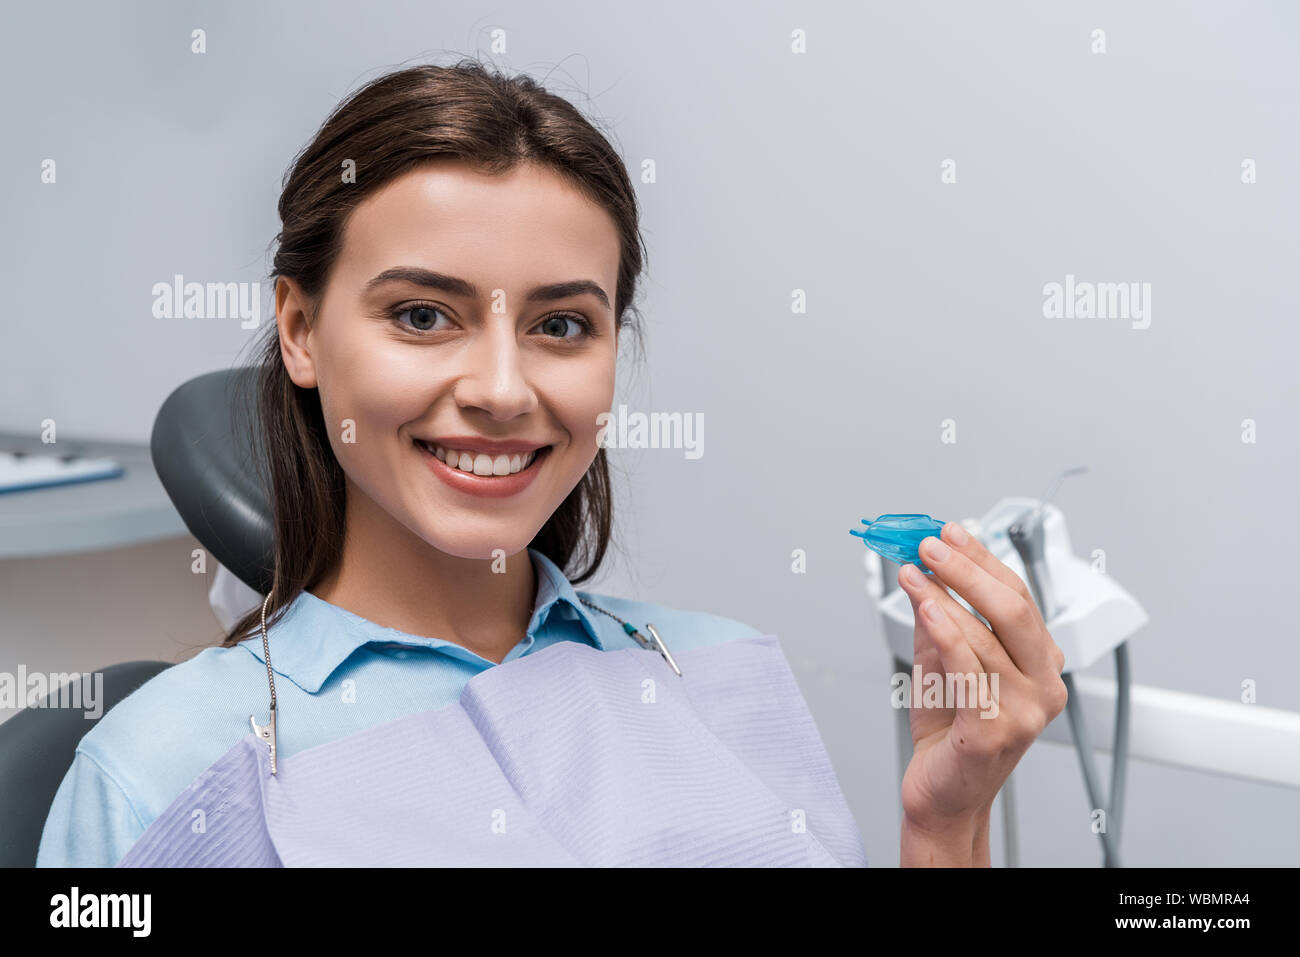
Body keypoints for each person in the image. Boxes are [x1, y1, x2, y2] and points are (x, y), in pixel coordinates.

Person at [36, 59, 1066, 868]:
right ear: (300, 330)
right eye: (422, 315)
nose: (500, 387)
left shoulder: (717, 674)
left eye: (562, 324)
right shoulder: (158, 772)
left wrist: (946, 830)